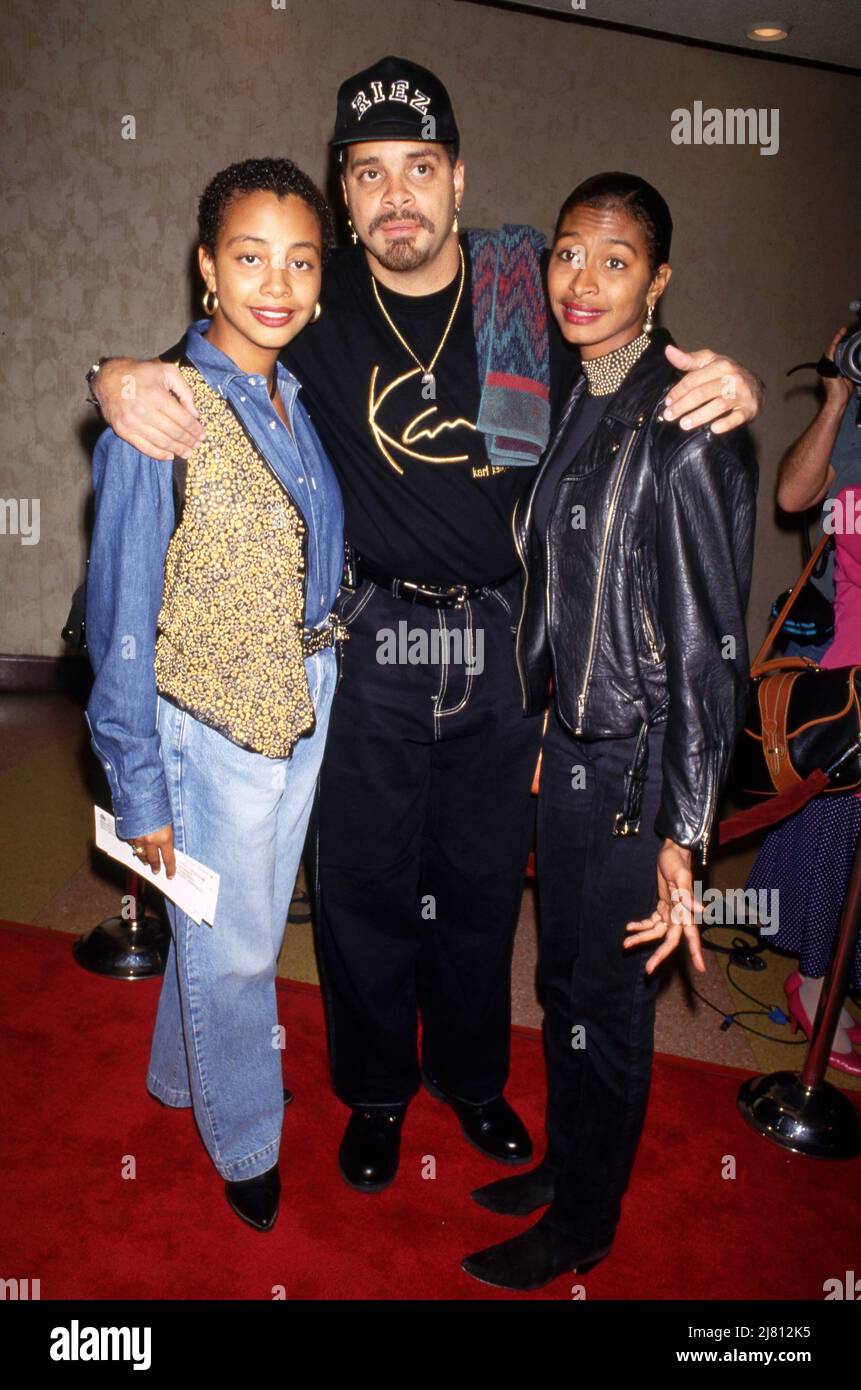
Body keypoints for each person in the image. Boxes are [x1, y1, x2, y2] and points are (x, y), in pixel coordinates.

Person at [85, 56, 765, 1197]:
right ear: (344, 197)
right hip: (371, 639)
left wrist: (728, 385)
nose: (396, 196)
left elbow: (630, 363)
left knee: (485, 884)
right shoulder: (312, 298)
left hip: (501, 643)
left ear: (458, 179)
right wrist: (108, 375)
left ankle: (471, 1075)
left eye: (419, 169)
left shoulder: (524, 287)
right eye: (368, 174)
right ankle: (375, 1092)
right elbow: (194, 367)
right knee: (361, 890)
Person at [462, 173, 758, 1291]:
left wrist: (689, 833)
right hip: (582, 748)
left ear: (660, 280)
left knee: (609, 1006)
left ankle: (585, 1219)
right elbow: (576, 589)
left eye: (616, 260)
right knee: (570, 985)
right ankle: (570, 1165)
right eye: (569, 254)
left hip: (642, 773)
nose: (583, 281)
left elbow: (702, 651)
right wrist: (549, 715)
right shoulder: (579, 390)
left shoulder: (684, 427)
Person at [85, 158, 345, 1233]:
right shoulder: (161, 413)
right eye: (248, 256)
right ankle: (244, 1138)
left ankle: (186, 1075)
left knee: (226, 920)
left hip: (302, 691)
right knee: (241, 945)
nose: (274, 282)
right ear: (206, 268)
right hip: (211, 720)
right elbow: (118, 622)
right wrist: (138, 786)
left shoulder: (295, 394)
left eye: (298, 259)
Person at [744, 327, 861, 1075]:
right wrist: (836, 396)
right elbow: (792, 495)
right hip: (851, 681)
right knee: (836, 848)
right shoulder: (850, 430)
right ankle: (812, 988)